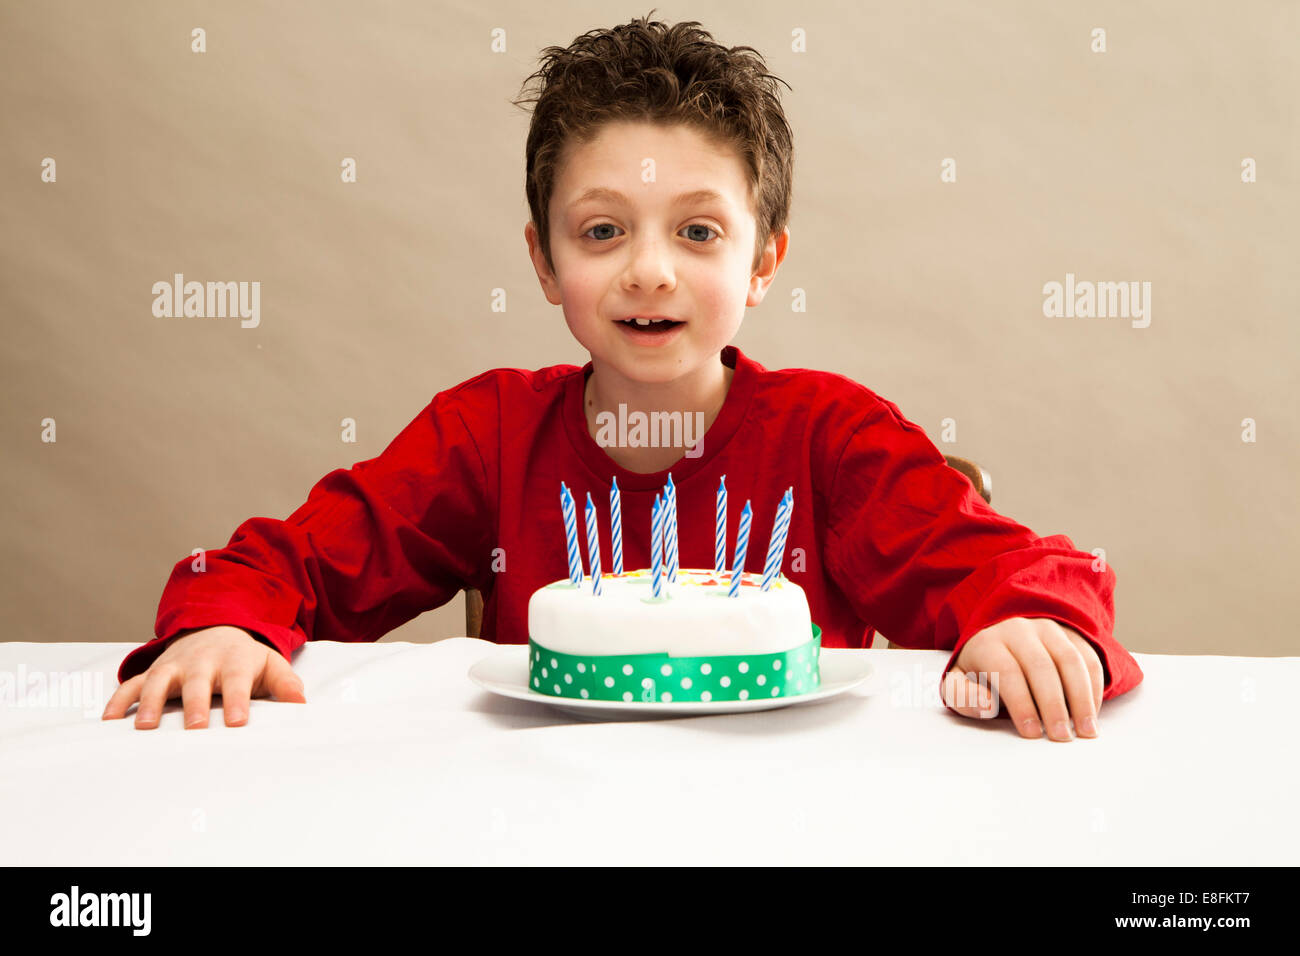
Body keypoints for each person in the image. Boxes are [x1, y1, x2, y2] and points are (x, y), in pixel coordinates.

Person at [103, 13, 1142, 740]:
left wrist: (1034, 623)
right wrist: (221, 626)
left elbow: (1023, 571)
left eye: (697, 230)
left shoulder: (831, 438)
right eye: (603, 230)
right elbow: (283, 564)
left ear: (764, 260)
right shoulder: (488, 436)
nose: (649, 268)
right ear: (543, 259)